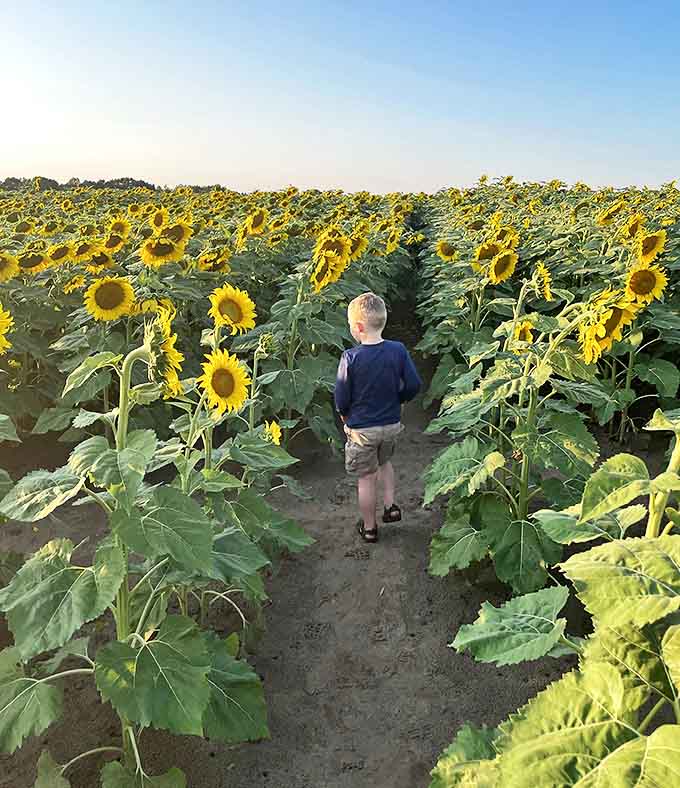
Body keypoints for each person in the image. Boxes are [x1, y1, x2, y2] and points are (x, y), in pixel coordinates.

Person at [334, 292, 422, 543]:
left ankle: (370, 528)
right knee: (385, 462)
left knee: (366, 477)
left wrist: (344, 415)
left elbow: (341, 395)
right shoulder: (398, 350)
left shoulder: (350, 357)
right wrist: (401, 399)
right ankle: (391, 505)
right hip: (391, 425)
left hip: (363, 430)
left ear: (358, 327)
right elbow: (414, 384)